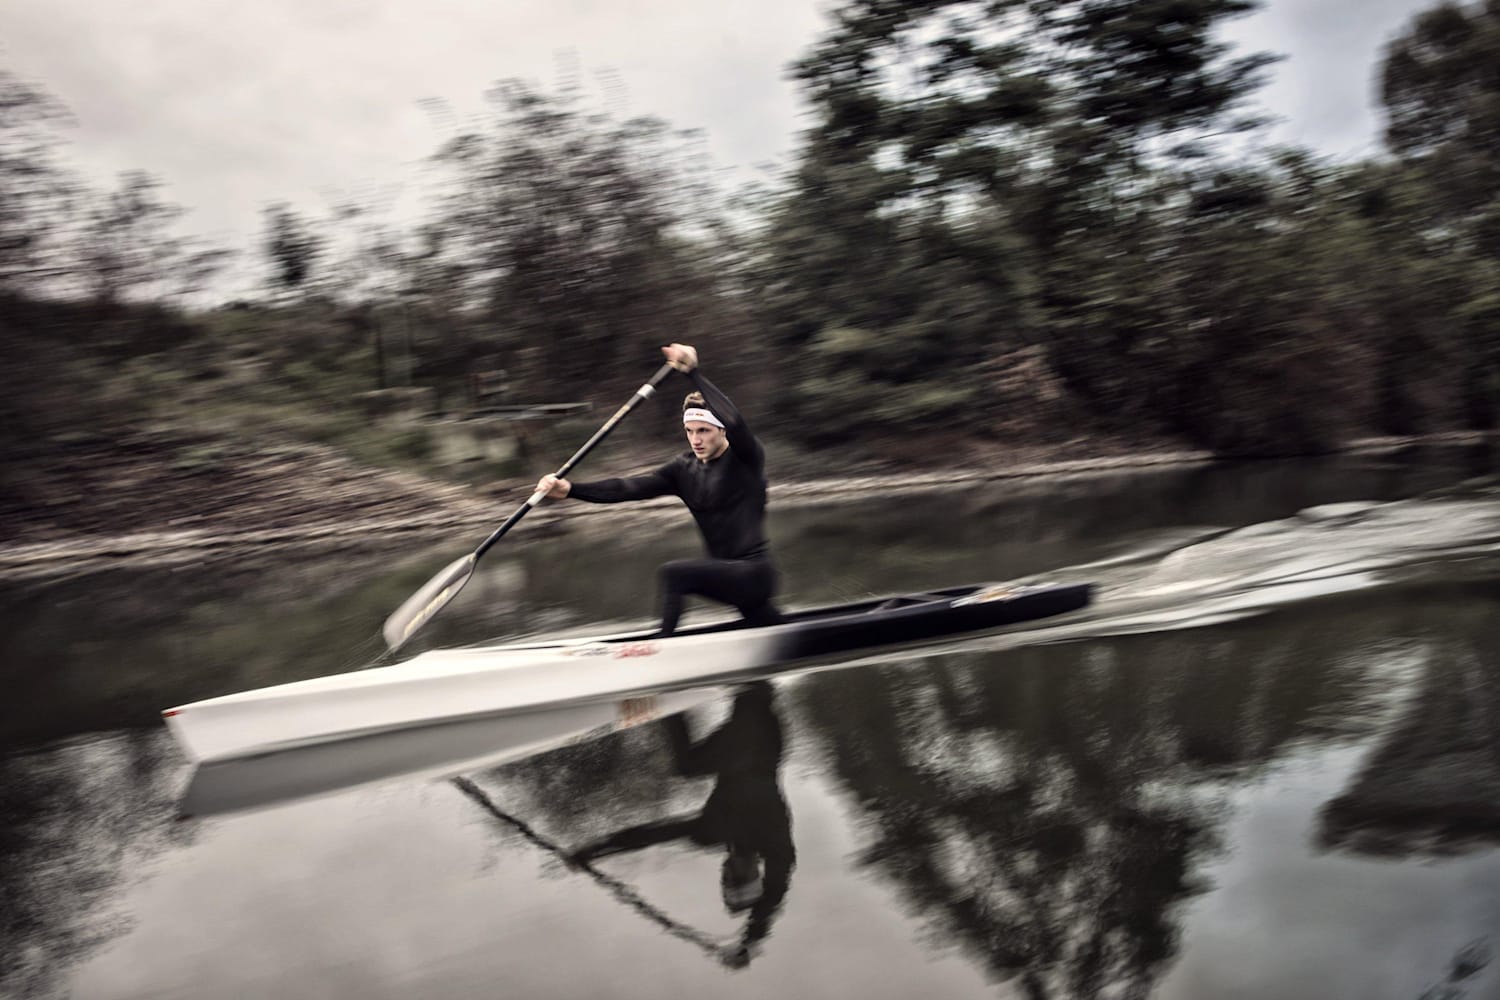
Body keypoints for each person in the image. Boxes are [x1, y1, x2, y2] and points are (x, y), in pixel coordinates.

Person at [536, 343, 782, 637]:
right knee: (771, 629)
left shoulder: (746, 459)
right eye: (690, 431)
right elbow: (626, 488)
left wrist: (693, 373)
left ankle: (661, 648)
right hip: (729, 576)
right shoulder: (682, 470)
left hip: (754, 575)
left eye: (704, 430)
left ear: (721, 431)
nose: (696, 439)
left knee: (674, 573)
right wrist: (570, 489)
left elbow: (736, 421)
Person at [567, 682, 795, 968]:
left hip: (745, 737)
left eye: (726, 879)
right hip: (764, 740)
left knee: (694, 761)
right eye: (737, 877)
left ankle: (679, 693)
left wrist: (595, 849)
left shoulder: (710, 832)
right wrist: (751, 941)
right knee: (687, 766)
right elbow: (774, 895)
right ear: (755, 874)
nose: (728, 872)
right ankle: (670, 694)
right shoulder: (773, 843)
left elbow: (653, 834)